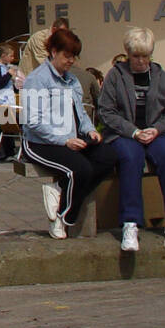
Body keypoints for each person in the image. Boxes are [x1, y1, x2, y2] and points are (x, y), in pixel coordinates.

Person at [97, 27, 165, 253]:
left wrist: (156, 129)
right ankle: (130, 223)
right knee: (130, 157)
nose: (141, 61)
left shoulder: (161, 77)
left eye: (145, 56)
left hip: (155, 133)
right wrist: (133, 131)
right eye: (136, 56)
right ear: (128, 54)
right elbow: (106, 111)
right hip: (125, 134)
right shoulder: (115, 76)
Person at [20, 27, 118, 239]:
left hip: (70, 138)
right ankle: (63, 218)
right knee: (80, 170)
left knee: (108, 157)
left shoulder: (72, 80)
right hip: (40, 143)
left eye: (74, 56)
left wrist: (90, 130)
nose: (71, 61)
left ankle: (59, 189)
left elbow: (80, 112)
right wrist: (65, 141)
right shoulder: (37, 79)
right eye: (67, 55)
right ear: (53, 52)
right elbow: (33, 122)